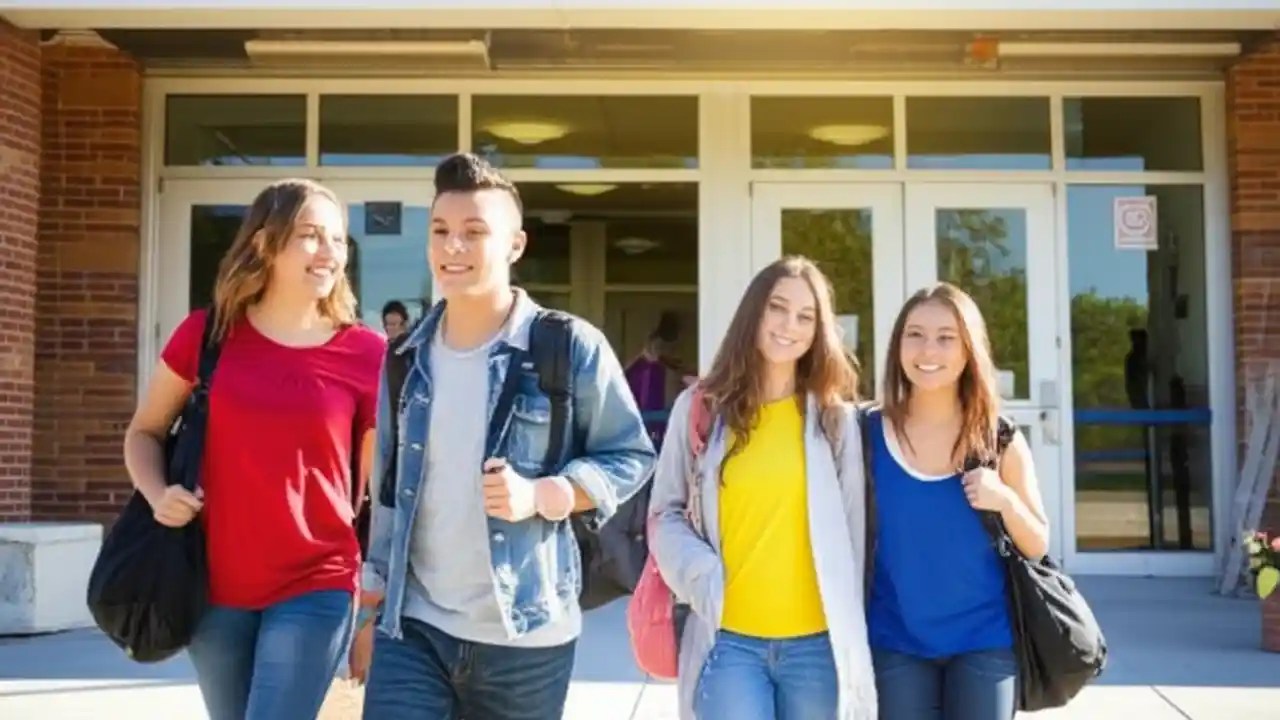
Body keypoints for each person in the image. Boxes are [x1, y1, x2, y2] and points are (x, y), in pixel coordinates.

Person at [354, 152, 656, 719]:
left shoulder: (567, 346)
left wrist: (548, 494)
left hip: (527, 639)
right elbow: (390, 490)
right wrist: (372, 603)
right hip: (413, 627)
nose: (453, 247)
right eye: (441, 231)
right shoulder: (403, 357)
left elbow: (632, 453)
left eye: (474, 233)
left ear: (515, 246)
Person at [122, 179, 385, 720]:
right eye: (311, 236)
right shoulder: (206, 336)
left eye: (338, 239)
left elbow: (380, 488)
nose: (329, 252)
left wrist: (373, 604)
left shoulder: (366, 352)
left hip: (320, 580)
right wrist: (158, 494)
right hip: (212, 584)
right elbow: (144, 432)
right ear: (266, 244)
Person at [648, 256, 878, 720]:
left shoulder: (834, 419)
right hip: (730, 641)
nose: (789, 325)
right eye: (777, 307)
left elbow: (854, 534)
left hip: (816, 648)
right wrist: (702, 576)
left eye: (806, 316)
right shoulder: (701, 408)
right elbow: (663, 513)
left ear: (819, 330)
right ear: (754, 311)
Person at [865, 282, 1050, 720]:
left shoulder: (998, 436)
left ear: (969, 349)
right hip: (896, 642)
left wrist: (1003, 499)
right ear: (898, 346)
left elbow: (1038, 543)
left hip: (984, 642)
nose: (929, 349)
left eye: (946, 337)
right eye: (915, 334)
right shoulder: (867, 434)